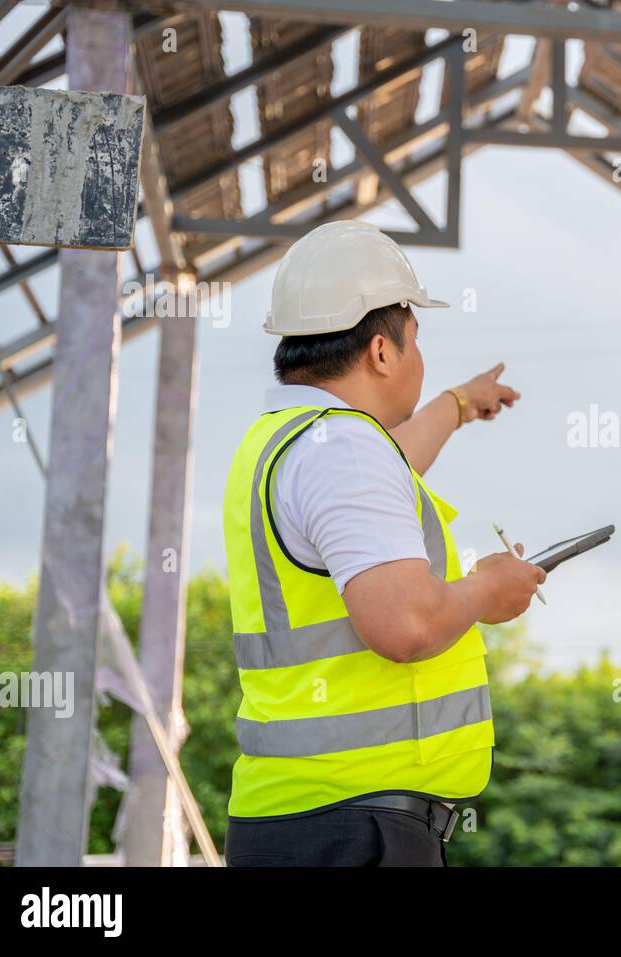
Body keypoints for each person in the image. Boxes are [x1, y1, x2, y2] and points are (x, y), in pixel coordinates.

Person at [220, 220, 547, 867]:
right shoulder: (342, 450)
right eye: (416, 339)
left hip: (306, 819)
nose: (420, 360)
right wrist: (487, 587)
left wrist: (457, 404)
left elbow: (379, 476)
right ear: (380, 351)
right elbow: (404, 625)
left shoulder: (294, 439)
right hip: (353, 830)